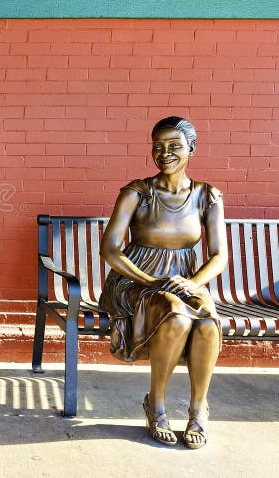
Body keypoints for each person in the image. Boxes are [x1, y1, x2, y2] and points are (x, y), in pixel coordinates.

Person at [99, 117, 227, 449]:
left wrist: (193, 284)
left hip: (185, 282)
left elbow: (219, 255)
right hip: (135, 281)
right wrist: (152, 281)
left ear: (191, 149)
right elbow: (110, 249)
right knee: (178, 314)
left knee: (209, 325)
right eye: (158, 146)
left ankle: (199, 409)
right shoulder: (137, 192)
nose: (164, 153)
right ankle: (155, 404)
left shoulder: (207, 196)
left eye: (174, 146)